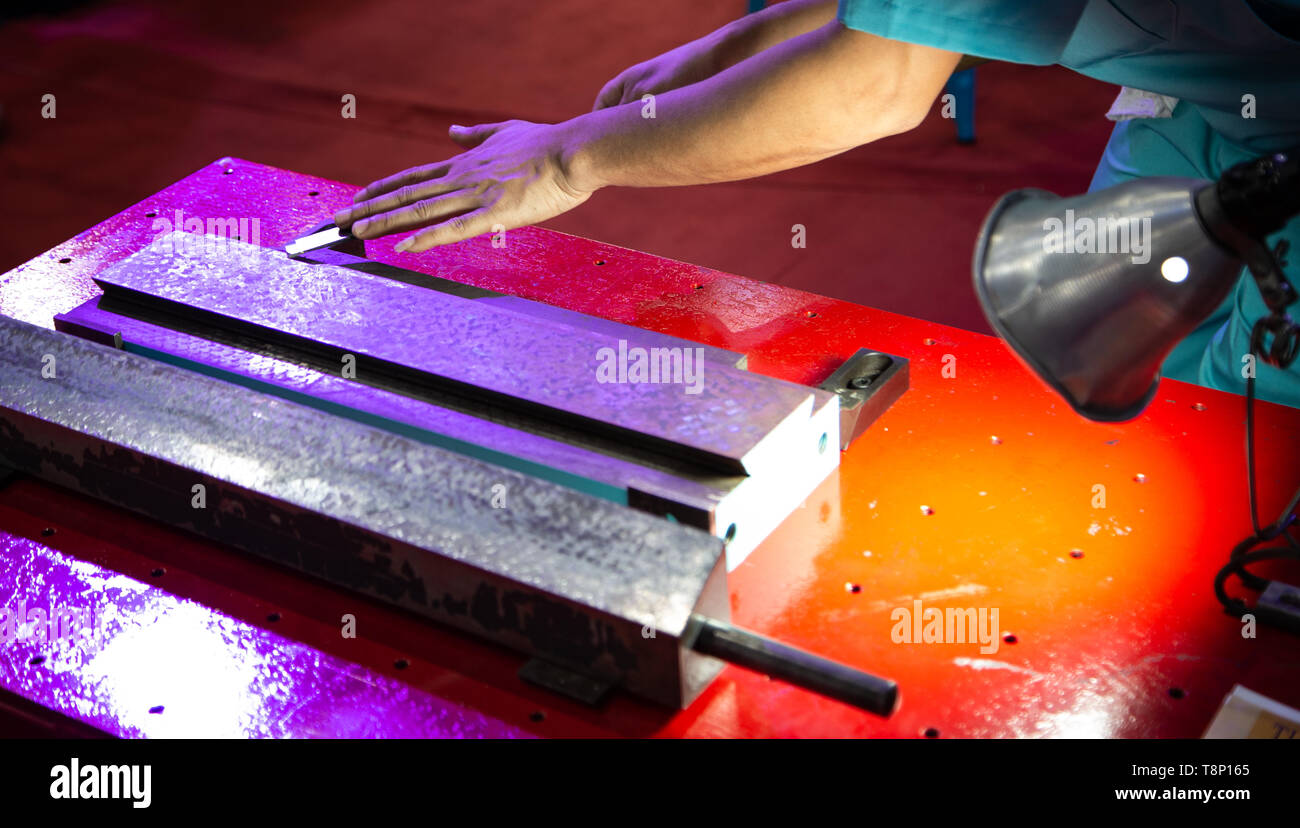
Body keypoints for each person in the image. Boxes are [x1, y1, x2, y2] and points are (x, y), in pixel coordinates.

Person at [333, 0, 1300, 408]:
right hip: (1210, 92)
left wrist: (565, 162)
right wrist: (718, 56)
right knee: (1122, 364)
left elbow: (877, 83)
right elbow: (892, 13)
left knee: (1253, 445)